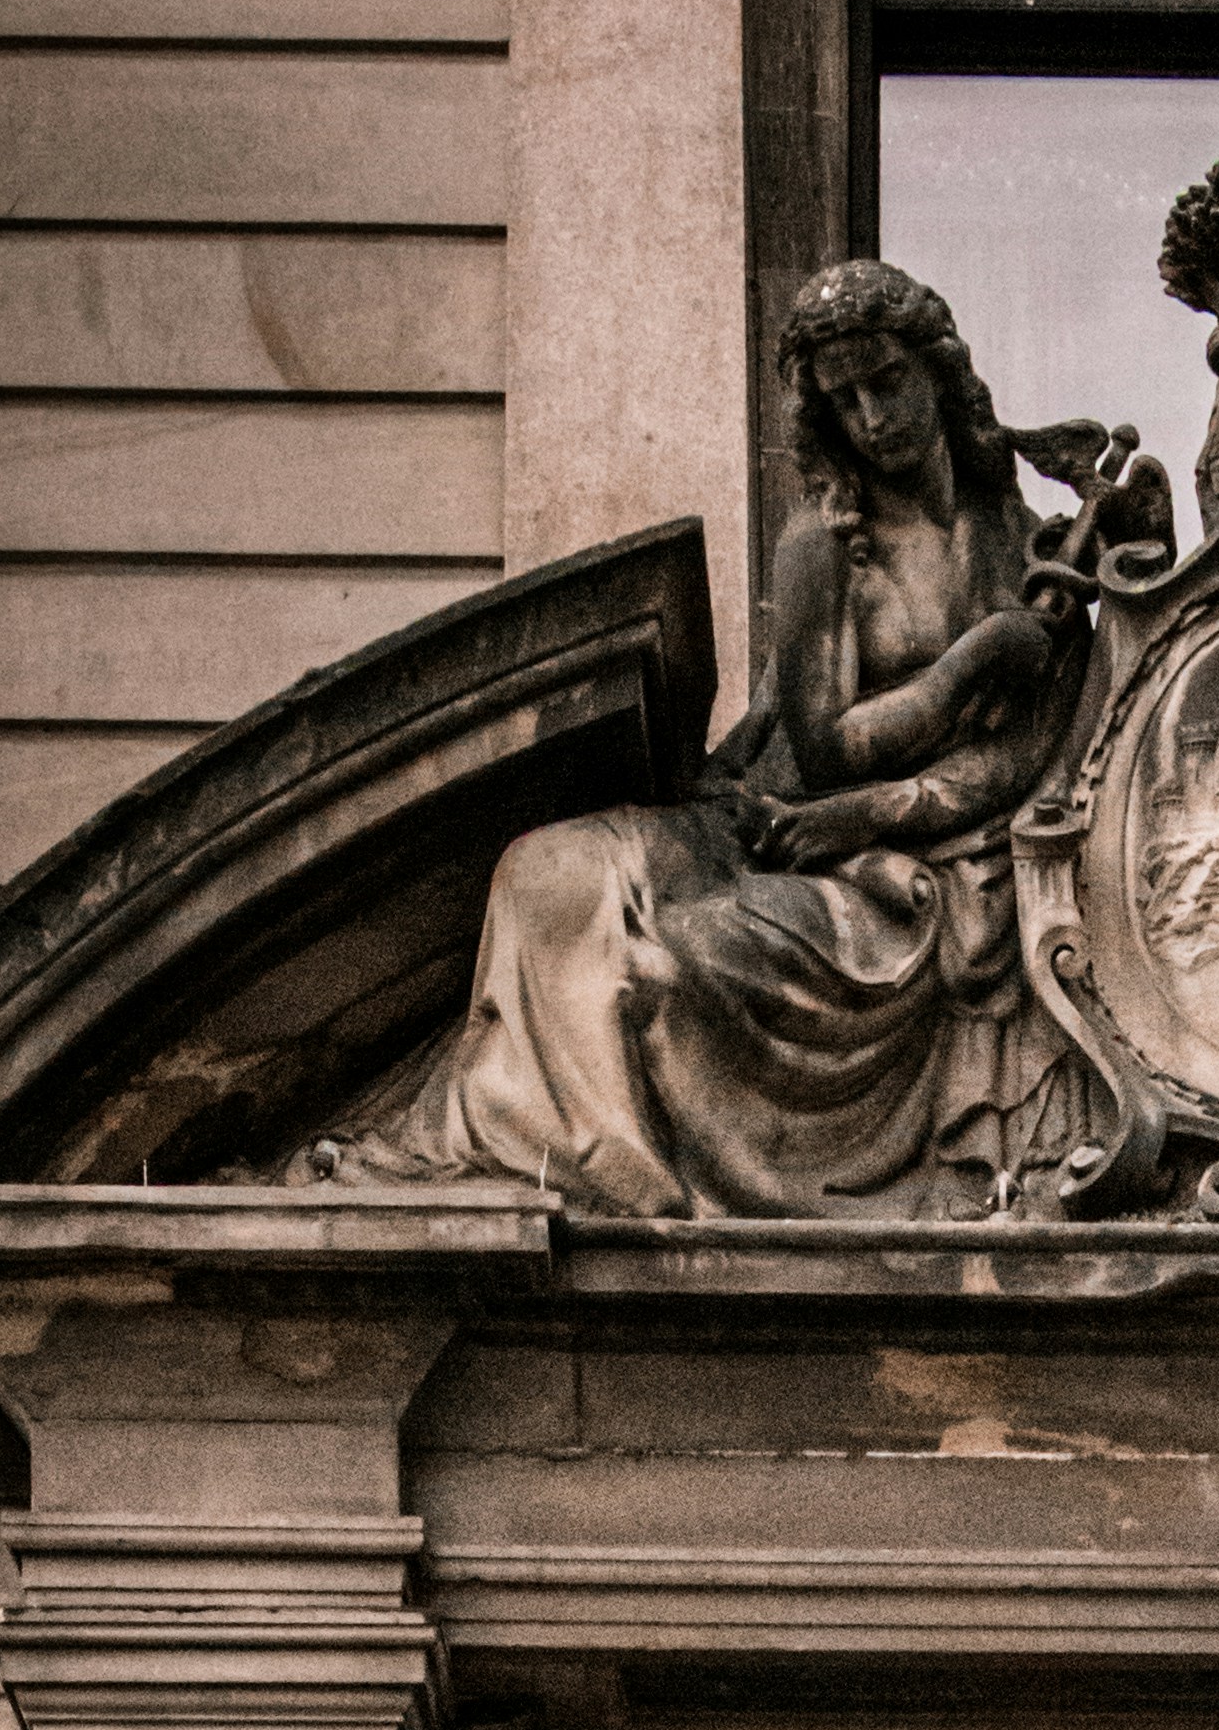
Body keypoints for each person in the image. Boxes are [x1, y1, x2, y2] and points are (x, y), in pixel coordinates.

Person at [331, 259, 1139, 1218]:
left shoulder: (1025, 543)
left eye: (888, 382)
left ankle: (604, 1155)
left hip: (891, 869)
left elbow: (1024, 765)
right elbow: (826, 745)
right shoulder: (827, 544)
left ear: (940, 371)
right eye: (846, 400)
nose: (874, 417)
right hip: (761, 819)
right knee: (538, 872)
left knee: (675, 958)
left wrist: (876, 809)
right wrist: (973, 662)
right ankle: (541, 1143)